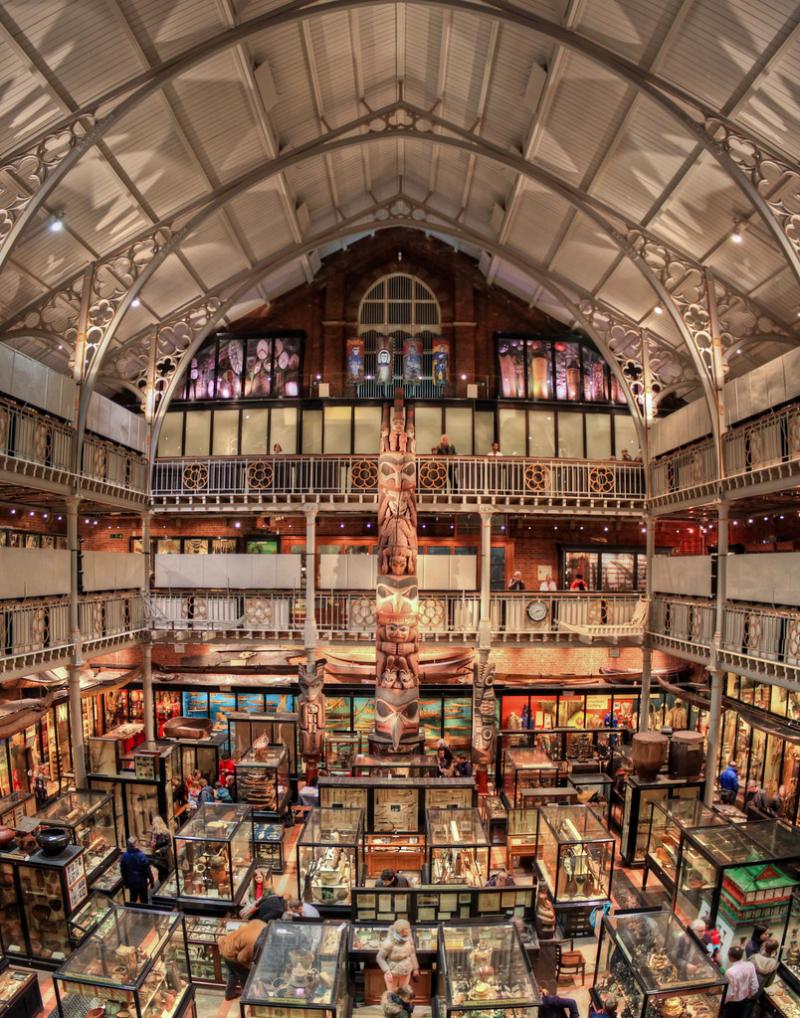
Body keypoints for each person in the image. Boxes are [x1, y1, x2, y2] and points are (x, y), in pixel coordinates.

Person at [218, 917, 267, 1000]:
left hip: (227, 943)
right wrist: (250, 967)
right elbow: (241, 959)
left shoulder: (261, 924)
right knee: (243, 975)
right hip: (230, 953)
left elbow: (245, 925)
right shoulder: (252, 944)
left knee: (232, 974)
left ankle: (229, 994)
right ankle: (246, 996)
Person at [723, 945, 758, 1018]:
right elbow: (755, 985)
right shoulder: (750, 965)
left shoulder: (730, 972)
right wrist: (749, 995)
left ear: (731, 957)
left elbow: (730, 992)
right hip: (745, 1000)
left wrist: (723, 1002)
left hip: (732, 1004)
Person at [120, 836, 154, 905]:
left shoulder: (124, 856)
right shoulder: (141, 856)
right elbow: (147, 869)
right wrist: (151, 880)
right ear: (135, 845)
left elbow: (123, 871)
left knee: (133, 899)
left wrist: (125, 882)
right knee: (144, 900)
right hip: (141, 882)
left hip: (131, 882)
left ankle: (132, 912)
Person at [149, 816, 172, 883]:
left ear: (158, 824)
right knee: (161, 873)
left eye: (153, 823)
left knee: (165, 872)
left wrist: (160, 850)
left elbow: (169, 845)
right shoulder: (154, 833)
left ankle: (167, 884)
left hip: (164, 856)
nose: (152, 825)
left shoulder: (166, 833)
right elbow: (153, 844)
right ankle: (162, 884)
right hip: (157, 856)